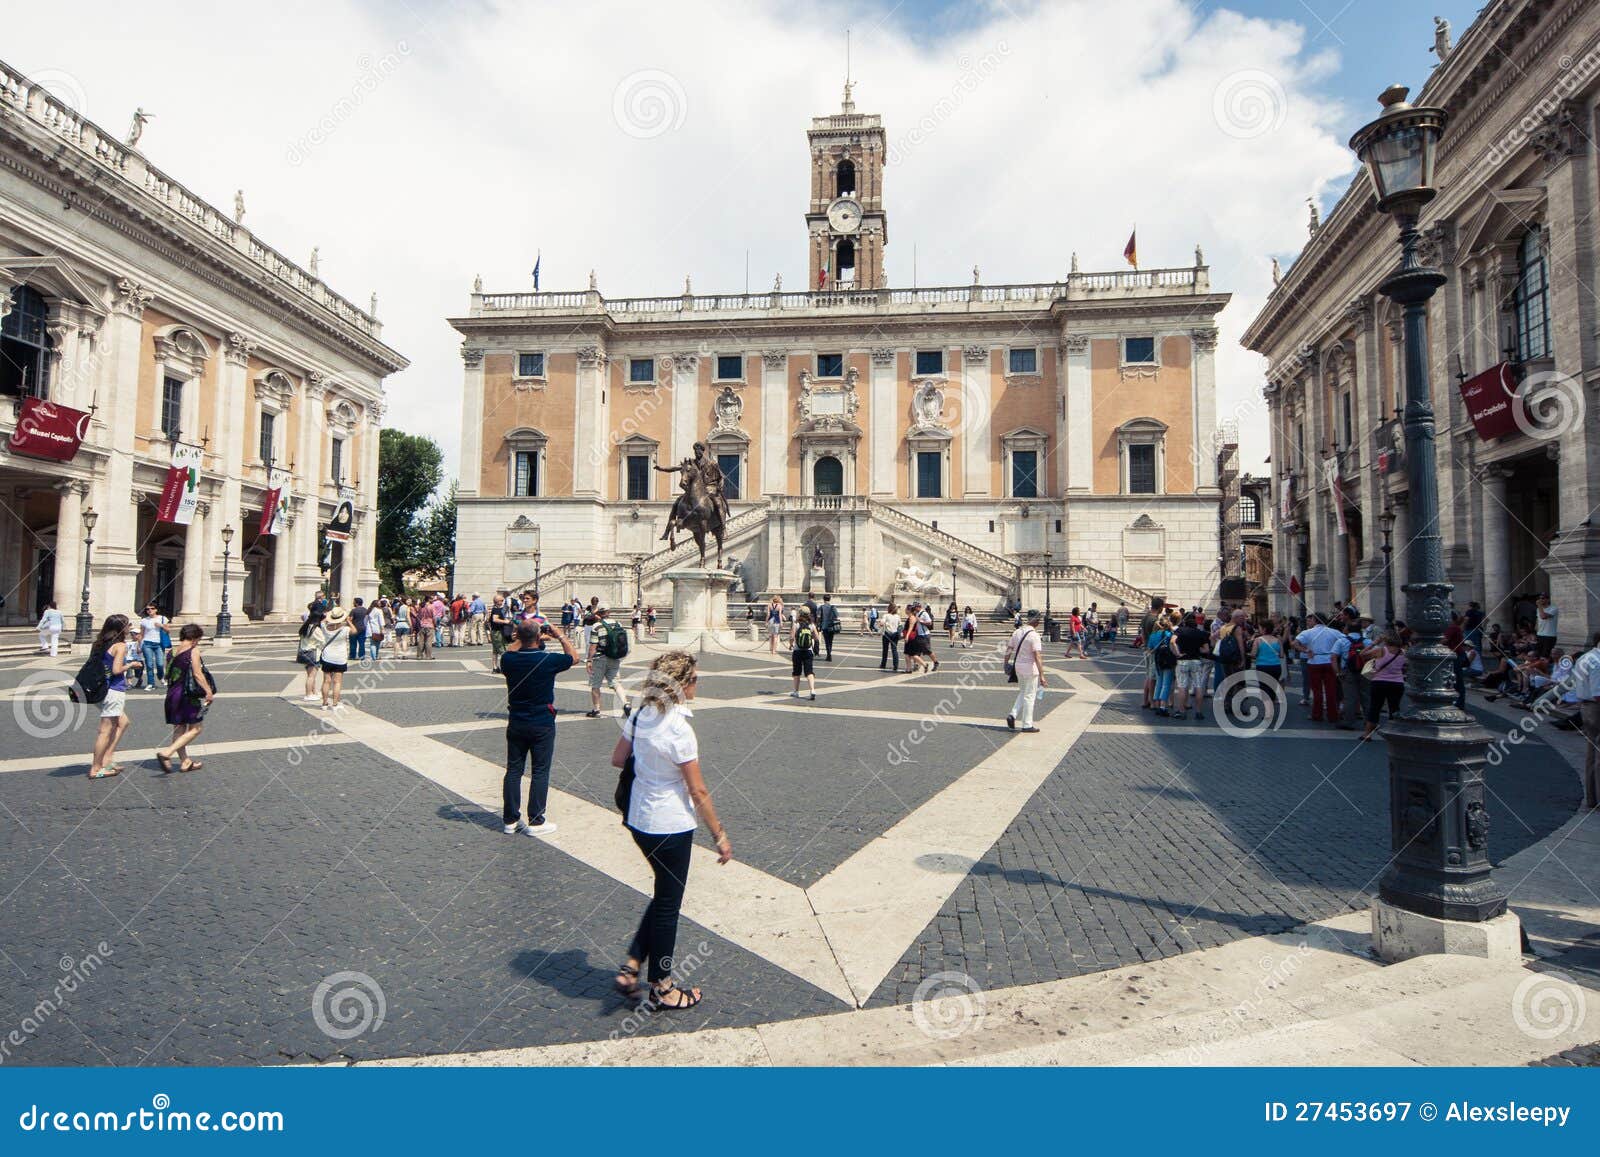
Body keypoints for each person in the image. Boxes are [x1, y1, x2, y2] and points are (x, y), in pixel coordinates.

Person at [610, 650, 732, 1008]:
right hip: (670, 826)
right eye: (694, 679)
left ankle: (632, 965)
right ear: (679, 686)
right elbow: (698, 791)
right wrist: (720, 835)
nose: (698, 684)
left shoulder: (641, 715)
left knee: (663, 895)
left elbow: (618, 759)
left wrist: (649, 763)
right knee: (668, 906)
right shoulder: (680, 728)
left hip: (638, 820)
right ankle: (662, 985)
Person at [501, 620, 577, 837]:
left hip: (516, 721)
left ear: (519, 637)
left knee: (514, 770)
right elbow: (575, 657)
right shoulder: (548, 659)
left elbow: (510, 648)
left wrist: (523, 636)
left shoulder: (509, 660)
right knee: (540, 771)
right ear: (538, 637)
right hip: (542, 721)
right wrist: (560, 635)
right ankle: (536, 820)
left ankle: (510, 820)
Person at [154, 623, 214, 772]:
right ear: (194, 638)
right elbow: (197, 674)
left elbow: (168, 674)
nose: (198, 642)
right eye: (198, 639)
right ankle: (167, 752)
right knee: (196, 728)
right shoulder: (193, 650)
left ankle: (185, 762)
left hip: (172, 693)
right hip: (186, 695)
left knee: (179, 728)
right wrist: (208, 691)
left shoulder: (172, 651)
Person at [87, 614, 141, 779]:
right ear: (121, 628)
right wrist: (131, 664)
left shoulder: (99, 643)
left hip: (100, 689)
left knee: (123, 722)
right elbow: (117, 670)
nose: (129, 627)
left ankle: (107, 758)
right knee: (105, 730)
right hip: (113, 690)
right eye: (127, 624)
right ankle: (96, 768)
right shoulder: (120, 646)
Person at [1293, 613, 1347, 723]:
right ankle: (1333, 715)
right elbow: (1345, 641)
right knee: (1331, 689)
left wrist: (1306, 650)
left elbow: (1295, 643)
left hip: (1314, 661)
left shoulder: (1307, 632)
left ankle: (1317, 714)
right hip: (1329, 661)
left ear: (1314, 620)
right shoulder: (1334, 632)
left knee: (1317, 690)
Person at [1358, 632, 1407, 741]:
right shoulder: (1403, 652)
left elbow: (1362, 654)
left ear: (1386, 640)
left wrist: (1374, 643)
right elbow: (1406, 666)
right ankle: (1394, 732)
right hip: (1397, 683)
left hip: (1379, 682)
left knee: (1375, 707)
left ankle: (1367, 734)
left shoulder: (1380, 650)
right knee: (1394, 708)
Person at [1004, 609, 1046, 732]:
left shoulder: (1017, 632)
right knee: (1030, 696)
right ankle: (1027, 724)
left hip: (1018, 668)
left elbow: (1009, 649)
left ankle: (1012, 714)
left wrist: (1005, 663)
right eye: (1039, 620)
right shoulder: (1034, 635)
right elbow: (1037, 656)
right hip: (1030, 669)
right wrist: (1042, 675)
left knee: (1023, 692)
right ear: (1036, 621)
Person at [586, 606, 628, 718]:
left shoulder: (597, 626)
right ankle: (626, 704)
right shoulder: (618, 623)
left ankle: (596, 710)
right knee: (616, 683)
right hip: (615, 657)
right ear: (609, 612)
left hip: (600, 658)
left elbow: (593, 645)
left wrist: (589, 660)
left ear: (599, 614)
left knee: (595, 685)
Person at [1169, 612, 1213, 720]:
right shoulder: (1200, 633)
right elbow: (1206, 650)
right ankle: (1198, 712)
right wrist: (1198, 649)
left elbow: (1172, 641)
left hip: (1183, 660)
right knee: (1198, 686)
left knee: (1182, 686)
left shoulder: (1180, 631)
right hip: (1196, 661)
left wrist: (1177, 653)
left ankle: (1182, 711)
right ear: (1195, 625)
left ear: (1185, 623)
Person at [318, 605, 350, 709]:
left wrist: (328, 615)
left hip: (327, 656)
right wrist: (348, 621)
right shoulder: (345, 629)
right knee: (337, 682)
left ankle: (324, 703)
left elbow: (322, 621)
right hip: (340, 658)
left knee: (326, 681)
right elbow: (355, 631)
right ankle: (335, 704)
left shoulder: (325, 627)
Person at [1250, 618, 1285, 697]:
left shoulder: (1258, 640)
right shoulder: (1277, 640)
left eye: (1259, 628)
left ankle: (1268, 707)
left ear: (1264, 629)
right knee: (1273, 689)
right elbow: (1282, 655)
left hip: (1263, 666)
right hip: (1276, 666)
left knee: (1264, 689)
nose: (1258, 630)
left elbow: (1253, 654)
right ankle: (1271, 704)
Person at [790, 606, 820, 700]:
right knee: (809, 671)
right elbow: (817, 637)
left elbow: (791, 637)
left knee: (797, 672)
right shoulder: (811, 624)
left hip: (797, 651)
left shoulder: (796, 624)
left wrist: (791, 644)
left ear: (800, 613)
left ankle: (796, 692)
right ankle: (812, 690)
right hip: (808, 651)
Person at [138, 603, 167, 693]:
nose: (149, 610)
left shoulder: (162, 618)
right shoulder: (144, 620)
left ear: (156, 610)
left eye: (152, 608)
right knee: (149, 665)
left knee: (160, 664)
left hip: (158, 644)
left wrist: (161, 626)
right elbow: (141, 634)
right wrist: (139, 645)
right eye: (147, 609)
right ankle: (151, 683)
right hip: (147, 643)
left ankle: (161, 676)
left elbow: (168, 630)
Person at [297, 610, 324, 701]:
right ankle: (308, 694)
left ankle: (313, 692)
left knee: (310, 675)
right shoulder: (316, 629)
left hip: (305, 652)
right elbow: (323, 641)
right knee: (312, 676)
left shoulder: (305, 627)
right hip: (313, 653)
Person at [488, 594, 512, 673]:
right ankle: (506, 666)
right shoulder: (496, 610)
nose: (502, 602)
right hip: (497, 632)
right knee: (502, 649)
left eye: (502, 600)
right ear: (497, 601)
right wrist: (505, 621)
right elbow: (495, 619)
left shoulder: (498, 609)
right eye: (501, 600)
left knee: (495, 650)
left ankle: (495, 667)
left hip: (496, 631)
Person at [816, 594, 840, 661]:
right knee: (830, 641)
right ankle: (829, 653)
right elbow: (837, 616)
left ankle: (828, 654)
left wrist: (818, 623)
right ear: (830, 599)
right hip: (831, 627)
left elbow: (818, 616)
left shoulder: (821, 607)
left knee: (826, 641)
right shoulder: (833, 607)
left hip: (824, 626)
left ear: (823, 599)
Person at [879, 602, 902, 672]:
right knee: (894, 650)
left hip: (887, 634)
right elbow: (900, 625)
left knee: (885, 650)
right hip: (895, 634)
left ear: (889, 608)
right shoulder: (898, 616)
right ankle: (896, 665)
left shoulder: (886, 615)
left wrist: (881, 624)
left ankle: (883, 664)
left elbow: (881, 623)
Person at [1535, 594, 1559, 659]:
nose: (1540, 600)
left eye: (1543, 598)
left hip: (1549, 635)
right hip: (1540, 635)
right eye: (1539, 598)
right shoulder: (1538, 609)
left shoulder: (1553, 608)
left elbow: (1543, 616)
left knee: (1545, 656)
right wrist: (1536, 632)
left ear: (1548, 599)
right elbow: (1538, 620)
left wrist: (1539, 606)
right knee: (1538, 655)